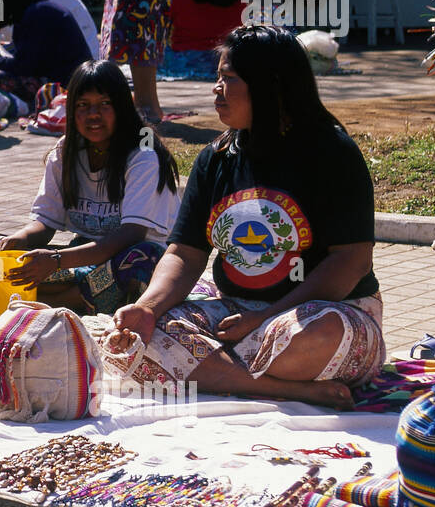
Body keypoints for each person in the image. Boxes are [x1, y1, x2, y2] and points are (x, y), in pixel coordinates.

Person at [109, 26, 384, 410]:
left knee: (318, 336)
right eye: (218, 77)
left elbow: (352, 262)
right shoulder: (215, 158)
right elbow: (184, 254)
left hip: (324, 313)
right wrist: (149, 308)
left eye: (229, 79)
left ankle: (219, 372)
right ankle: (289, 389)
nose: (216, 88)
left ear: (270, 86)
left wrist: (265, 318)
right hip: (234, 313)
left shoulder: (331, 153)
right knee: (148, 335)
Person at [0, 61, 179, 314]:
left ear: (122, 108)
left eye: (104, 104)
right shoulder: (65, 151)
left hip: (128, 259)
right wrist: (20, 240)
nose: (93, 114)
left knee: (140, 260)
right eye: (82, 105)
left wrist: (57, 261)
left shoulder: (142, 156)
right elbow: (45, 224)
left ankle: (42, 303)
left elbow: (131, 235)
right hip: (83, 259)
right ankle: (61, 299)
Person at [0, 0, 93, 107]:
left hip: (67, 87)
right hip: (73, 79)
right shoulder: (38, 9)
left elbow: (24, 67)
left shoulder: (36, 14)